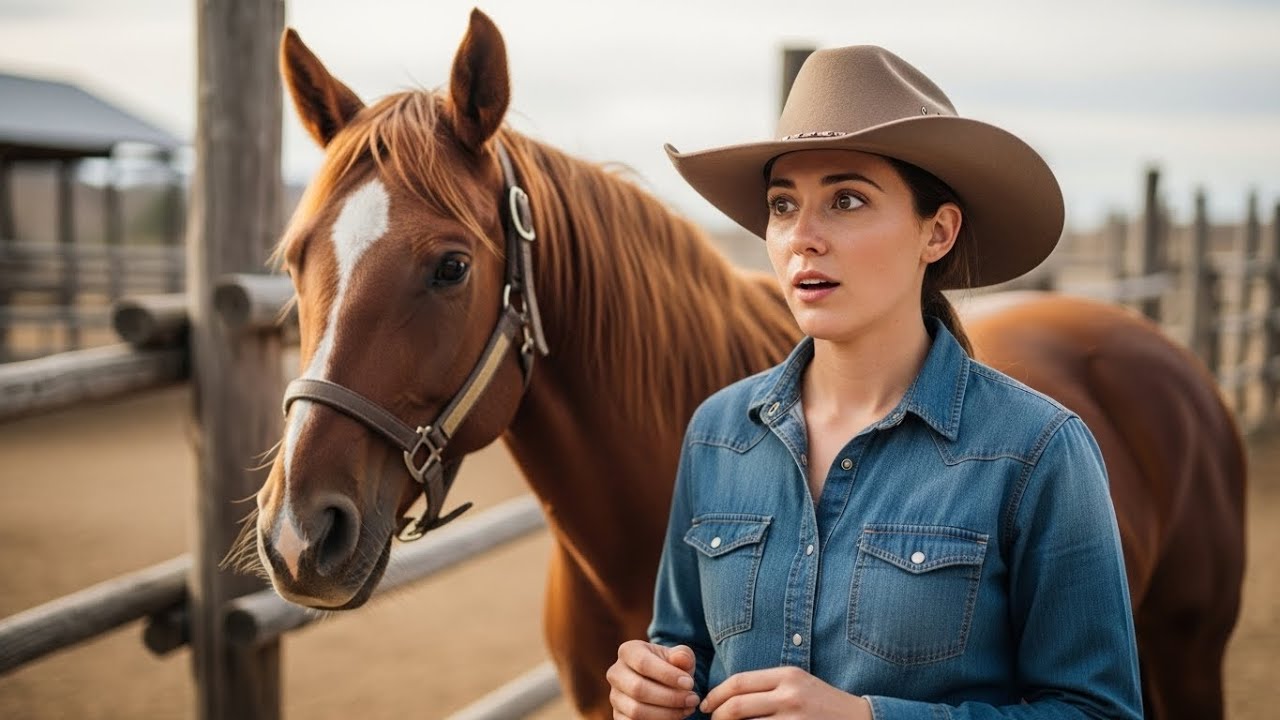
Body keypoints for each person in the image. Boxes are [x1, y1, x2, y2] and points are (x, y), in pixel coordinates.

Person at [606, 46, 1143, 719]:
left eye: (847, 200)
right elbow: (684, 653)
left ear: (937, 233)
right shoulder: (718, 433)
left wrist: (869, 718)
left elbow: (1097, 711)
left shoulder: (1036, 451)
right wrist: (652, 691)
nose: (802, 237)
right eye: (782, 205)